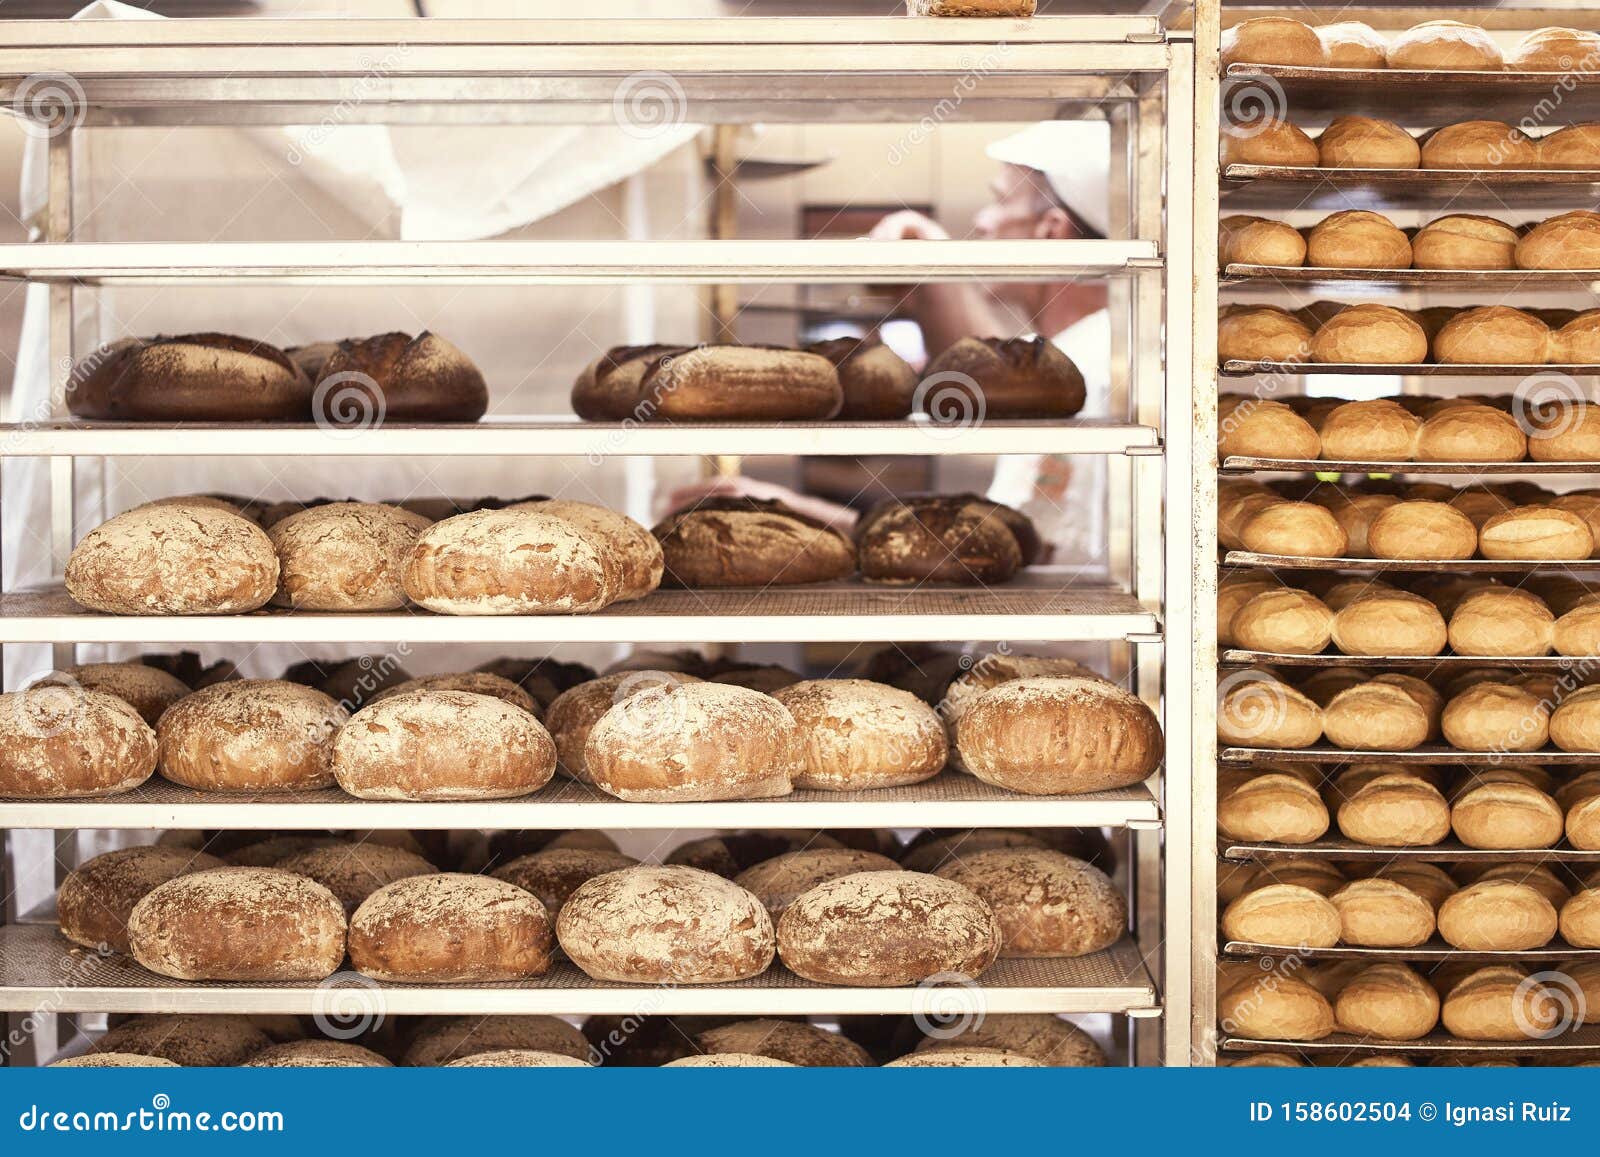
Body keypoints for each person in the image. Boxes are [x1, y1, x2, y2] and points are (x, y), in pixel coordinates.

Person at [669, 121, 1114, 568]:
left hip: (1041, 641)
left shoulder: (1087, 368)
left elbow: (1000, 556)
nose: (982, 222)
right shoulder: (1069, 358)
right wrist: (932, 273)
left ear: (1051, 231)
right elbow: (982, 378)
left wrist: (795, 514)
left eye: (1000, 201)